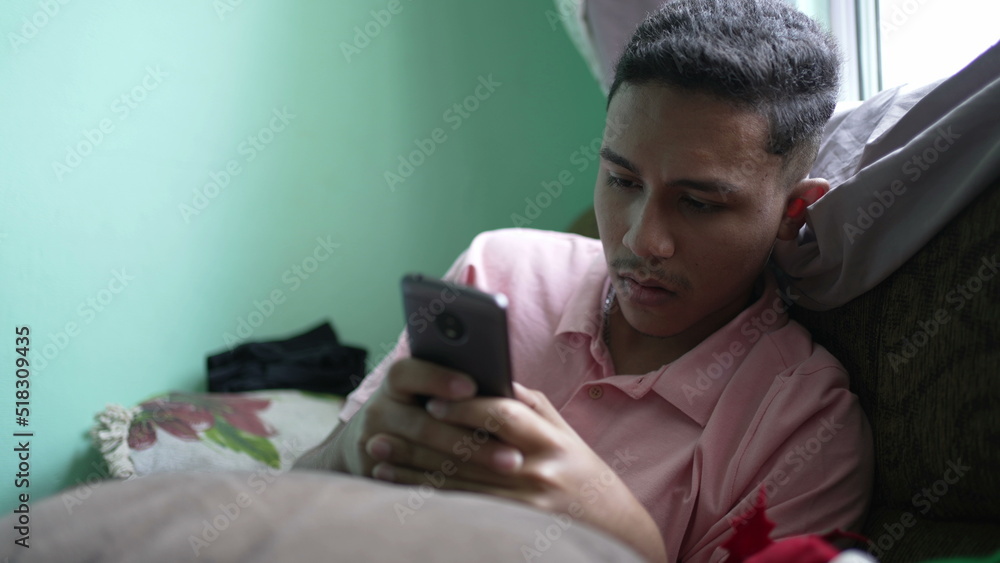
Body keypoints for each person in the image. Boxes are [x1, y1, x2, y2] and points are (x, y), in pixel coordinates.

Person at [295, 0, 873, 560]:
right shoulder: (497, 271)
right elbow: (292, 499)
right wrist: (350, 448)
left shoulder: (803, 428)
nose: (643, 241)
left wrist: (620, 537)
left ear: (792, 213)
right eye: (622, 181)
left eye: (698, 203)